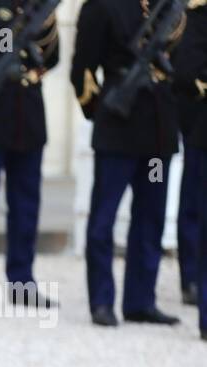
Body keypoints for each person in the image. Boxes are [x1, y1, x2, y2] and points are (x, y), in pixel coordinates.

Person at [71, 0, 183, 329]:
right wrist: (101, 112)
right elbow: (83, 70)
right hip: (118, 129)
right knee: (104, 218)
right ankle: (102, 300)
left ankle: (140, 300)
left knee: (151, 216)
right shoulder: (103, 6)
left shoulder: (171, 8)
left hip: (157, 134)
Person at [0, 0, 60, 310]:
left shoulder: (39, 7)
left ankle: (22, 282)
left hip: (26, 113)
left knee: (26, 205)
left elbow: (52, 56)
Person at [176, 0, 207, 340]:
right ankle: (191, 279)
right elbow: (187, 75)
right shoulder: (198, 17)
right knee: (196, 208)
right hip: (200, 127)